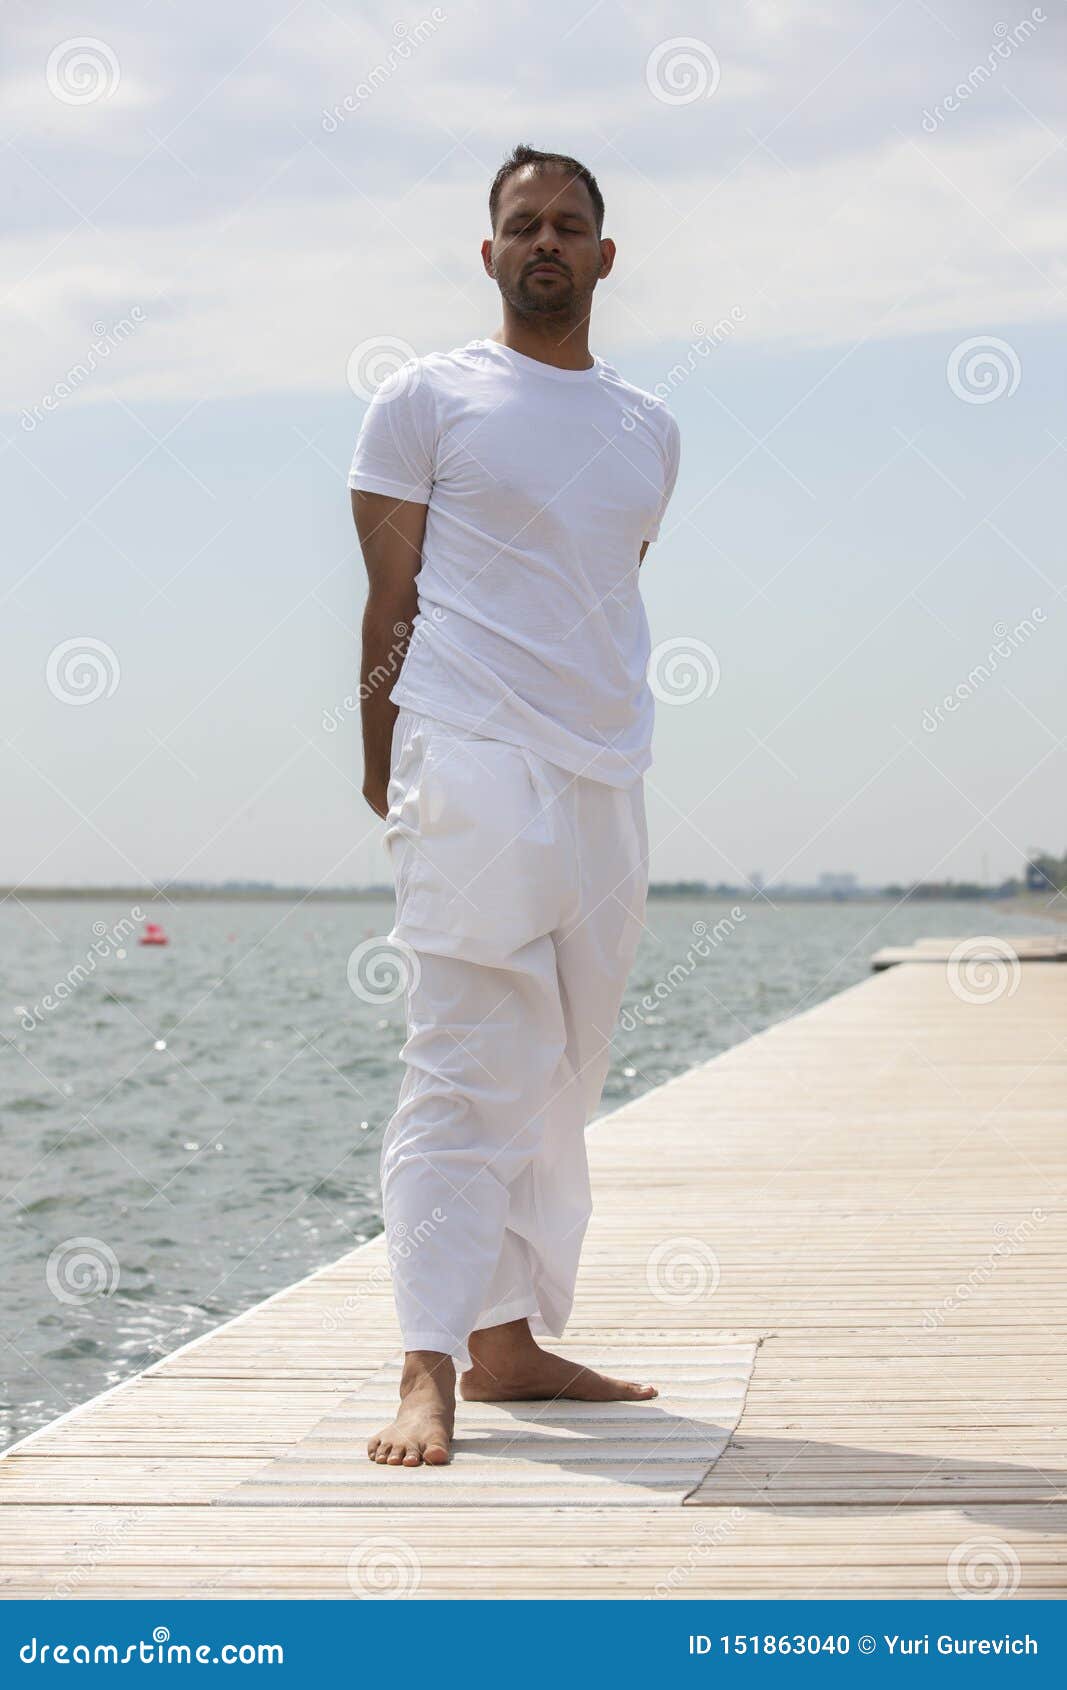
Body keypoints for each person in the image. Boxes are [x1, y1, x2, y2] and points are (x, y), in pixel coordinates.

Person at [348, 143, 681, 1467]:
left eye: (570, 224)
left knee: (563, 1068)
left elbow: (603, 582)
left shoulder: (651, 426)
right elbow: (391, 595)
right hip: (470, 751)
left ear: (606, 256)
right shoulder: (425, 398)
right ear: (488, 254)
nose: (546, 240)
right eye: (522, 223)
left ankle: (510, 1342)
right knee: (468, 1053)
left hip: (608, 768)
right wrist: (387, 764)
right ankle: (425, 1362)